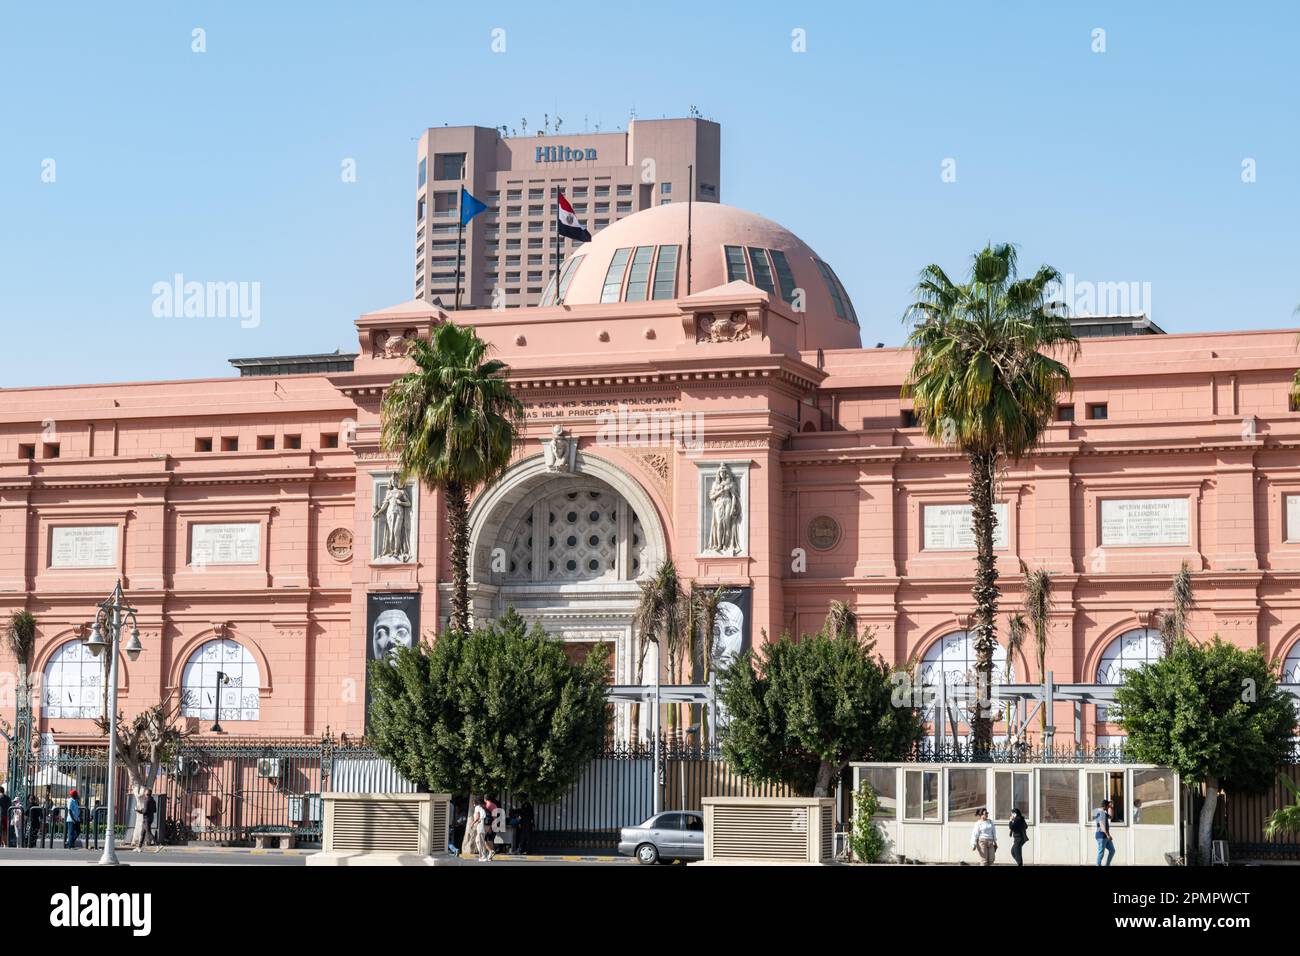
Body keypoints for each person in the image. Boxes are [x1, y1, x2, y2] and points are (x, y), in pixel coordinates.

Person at [1095, 799, 1116, 866]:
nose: (1108, 808)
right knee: (1101, 852)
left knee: (1112, 851)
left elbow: (1111, 817)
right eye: (1107, 806)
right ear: (1105, 806)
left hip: (1105, 835)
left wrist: (1111, 807)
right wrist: (1107, 835)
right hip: (1101, 835)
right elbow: (1101, 825)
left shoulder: (1103, 812)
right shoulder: (1101, 813)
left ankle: (1107, 864)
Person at [470, 798, 490, 862]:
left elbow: (477, 817)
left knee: (480, 841)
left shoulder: (477, 807)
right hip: (482, 825)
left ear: (475, 803)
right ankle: (483, 855)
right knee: (478, 841)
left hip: (481, 825)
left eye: (473, 803)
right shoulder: (481, 807)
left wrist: (472, 823)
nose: (473, 804)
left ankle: (483, 856)